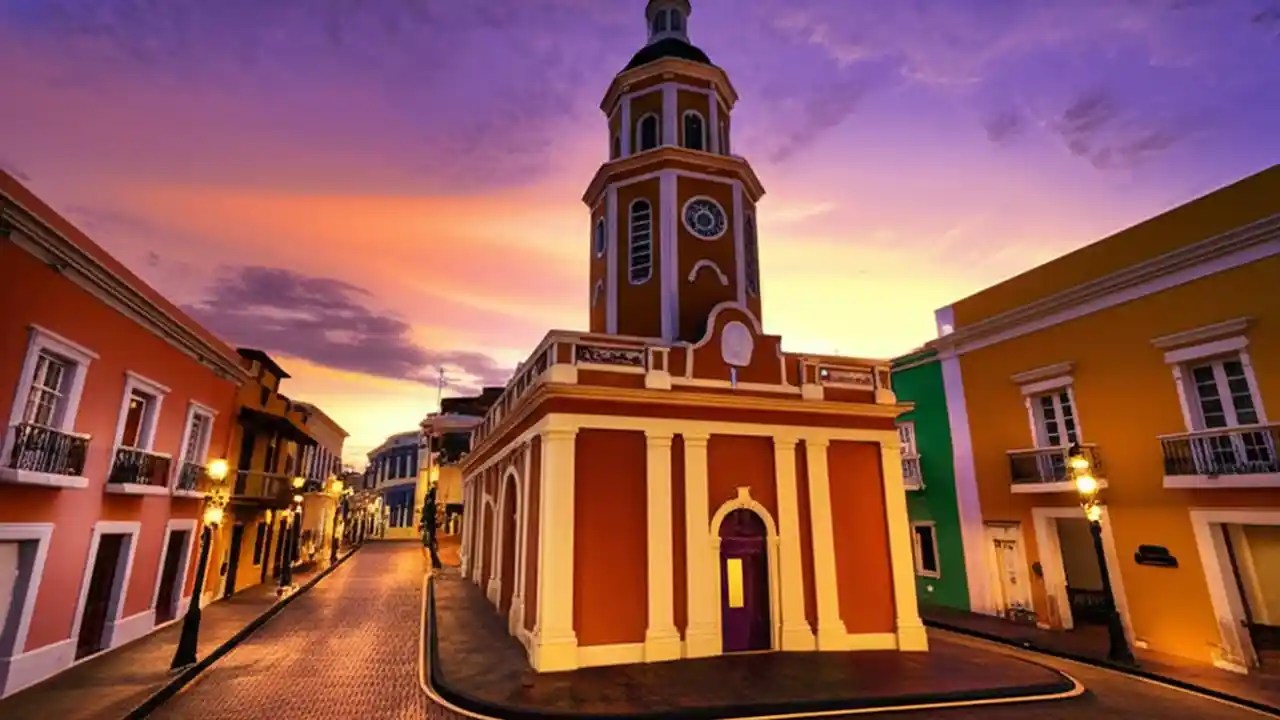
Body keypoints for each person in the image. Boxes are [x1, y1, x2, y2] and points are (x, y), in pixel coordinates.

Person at [420, 485, 443, 569]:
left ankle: (436, 562)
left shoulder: (430, 505)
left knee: (430, 544)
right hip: (429, 526)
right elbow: (427, 515)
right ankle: (435, 562)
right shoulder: (430, 504)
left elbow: (428, 515)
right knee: (429, 544)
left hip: (430, 526)